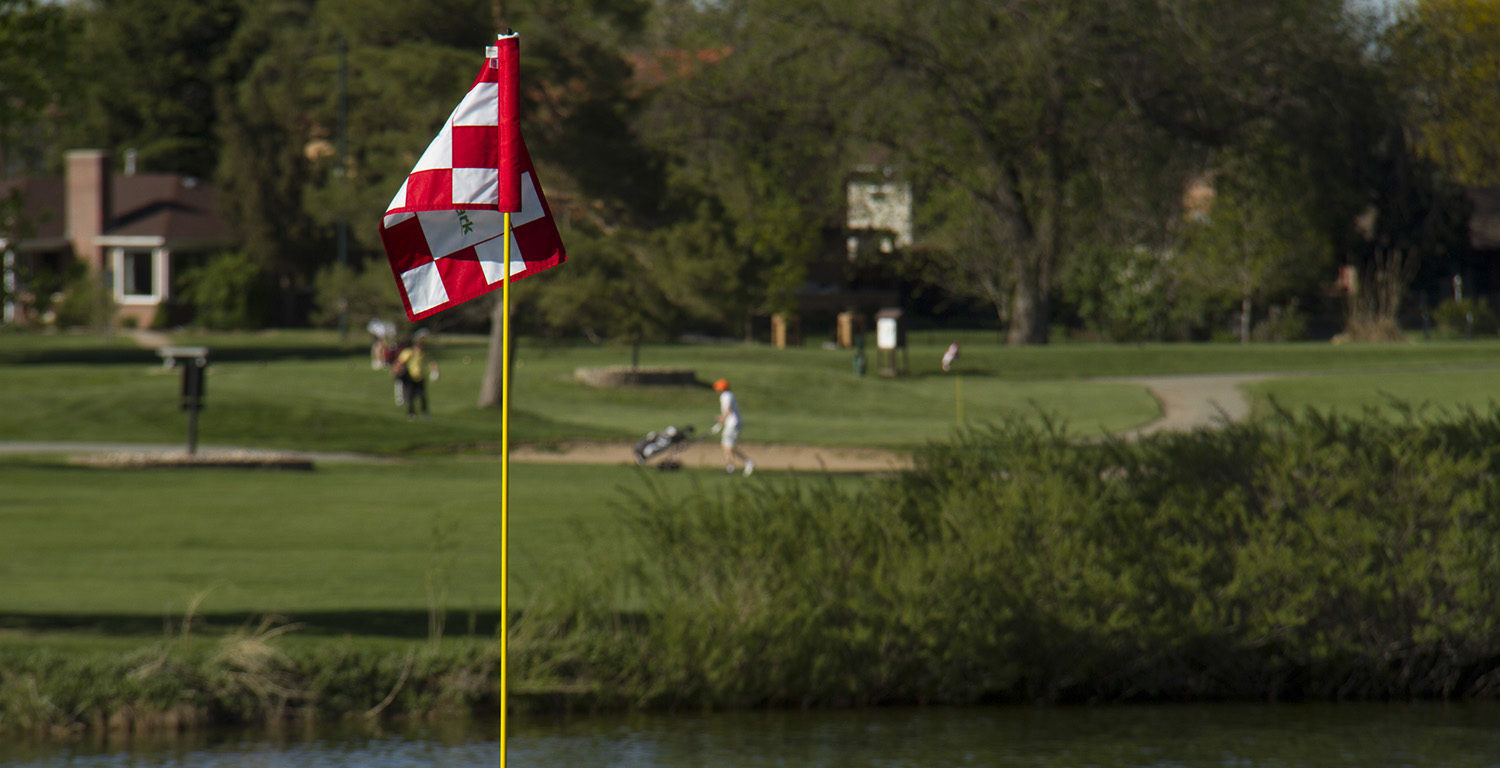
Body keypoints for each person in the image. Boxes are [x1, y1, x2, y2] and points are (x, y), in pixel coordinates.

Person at [711, 378, 754, 475]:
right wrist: (720, 419)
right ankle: (731, 466)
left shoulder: (725, 396)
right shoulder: (728, 395)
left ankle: (744, 463)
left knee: (728, 446)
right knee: (726, 446)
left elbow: (728, 410)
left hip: (733, 424)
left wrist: (720, 422)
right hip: (732, 423)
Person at [393, 334, 439, 420]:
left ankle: (425, 412)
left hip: (420, 378)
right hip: (410, 378)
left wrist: (434, 372)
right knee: (410, 397)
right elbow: (399, 362)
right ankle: (411, 413)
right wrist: (397, 371)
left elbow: (432, 363)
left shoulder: (423, 354)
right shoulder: (408, 353)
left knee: (422, 396)